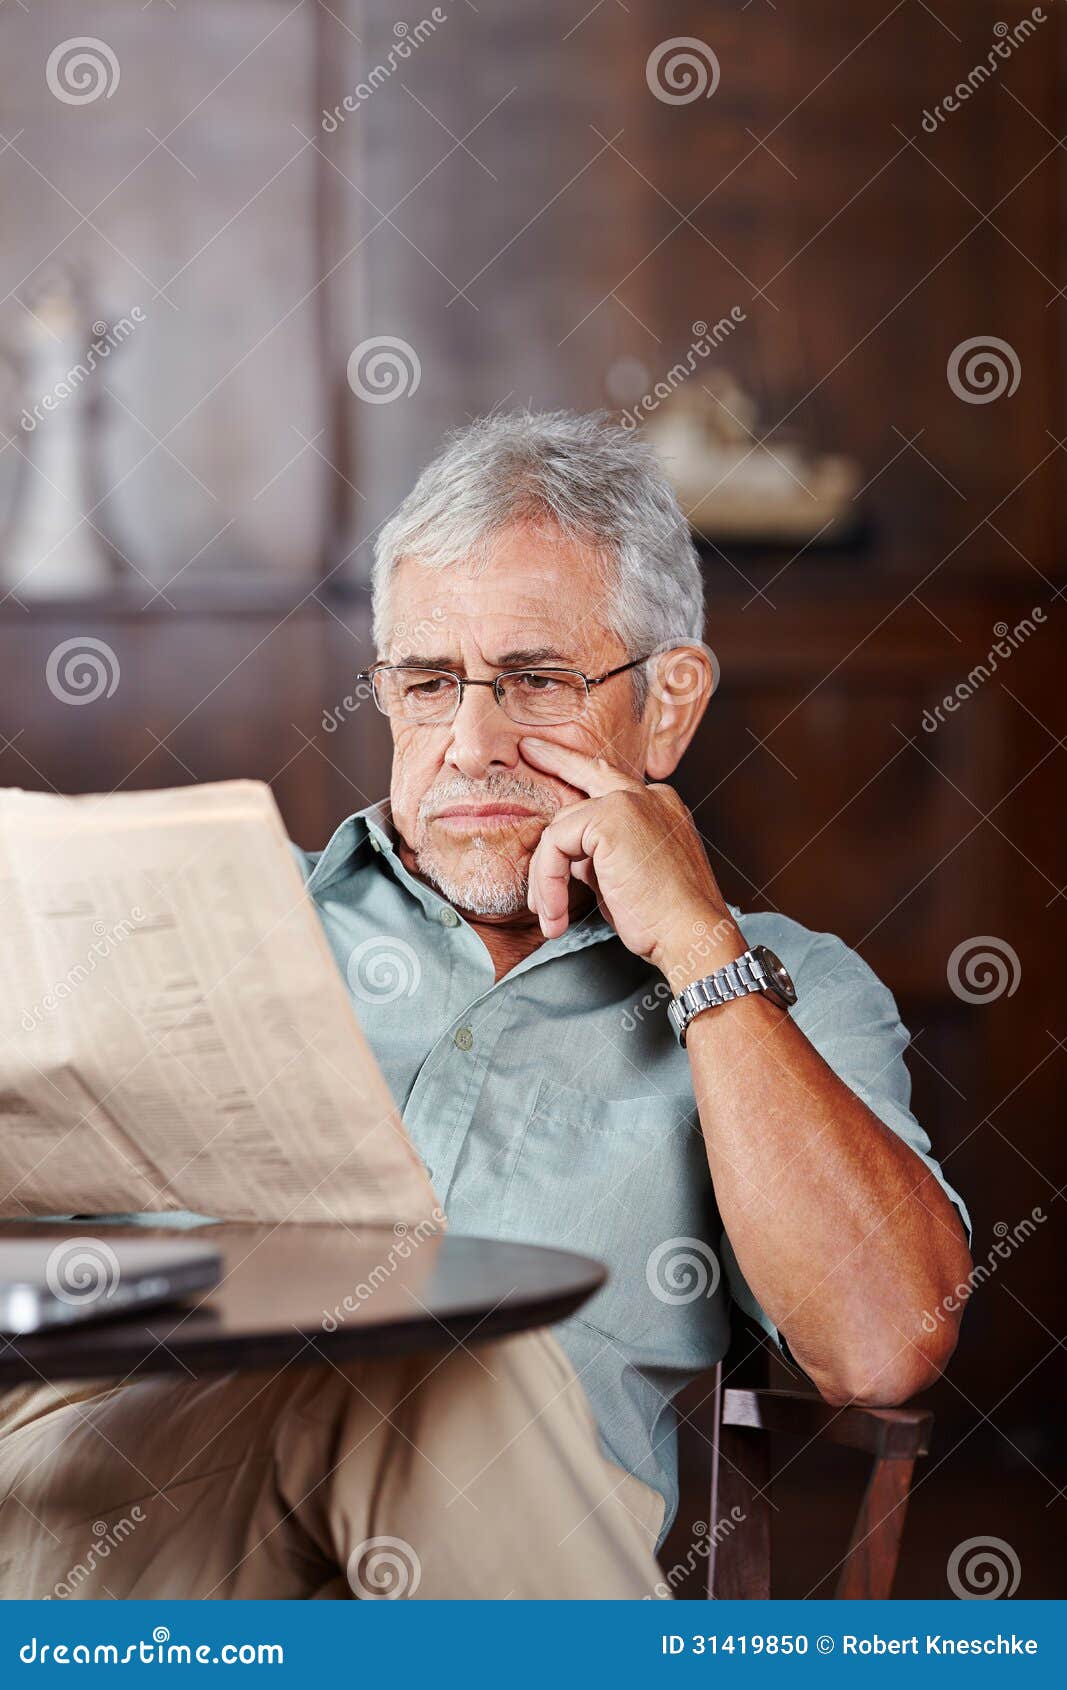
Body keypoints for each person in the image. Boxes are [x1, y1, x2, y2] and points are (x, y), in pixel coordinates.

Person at [0, 411, 971, 1600]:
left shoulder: (784, 991)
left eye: (535, 680)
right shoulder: (200, 918)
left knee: (443, 1357)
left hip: (490, 1585)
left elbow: (878, 1347)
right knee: (420, 1353)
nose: (470, 744)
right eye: (427, 683)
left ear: (666, 704)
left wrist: (697, 951)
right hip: (117, 1537)